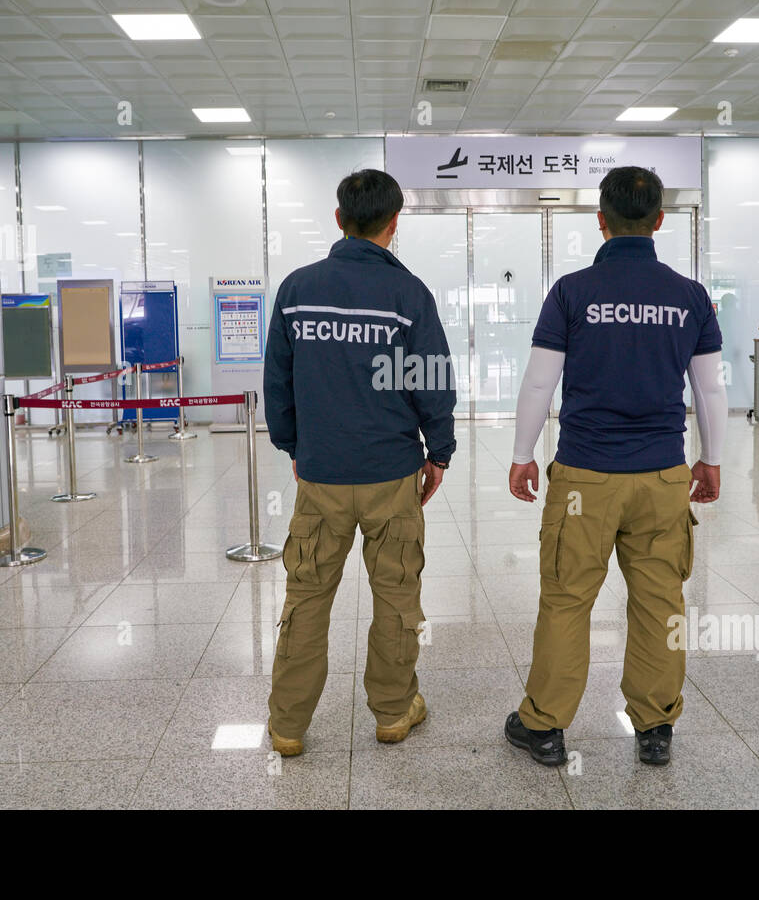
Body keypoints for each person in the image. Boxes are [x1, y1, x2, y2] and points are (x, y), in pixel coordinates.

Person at [504, 166, 727, 768]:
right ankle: (655, 727)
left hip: (584, 478)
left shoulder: (571, 291)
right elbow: (709, 391)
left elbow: (539, 382)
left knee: (567, 598)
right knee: (661, 602)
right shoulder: (689, 297)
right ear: (659, 221)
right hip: (662, 477)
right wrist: (711, 459)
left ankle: (544, 726)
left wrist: (523, 455)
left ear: (599, 221)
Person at [263, 168, 457, 756]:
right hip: (391, 475)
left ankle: (288, 726)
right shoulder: (408, 295)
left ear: (338, 218)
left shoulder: (298, 290)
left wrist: (295, 446)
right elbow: (432, 381)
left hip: (321, 476)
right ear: (393, 226)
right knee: (397, 597)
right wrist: (439, 451)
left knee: (306, 596)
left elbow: (278, 381)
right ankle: (394, 713)